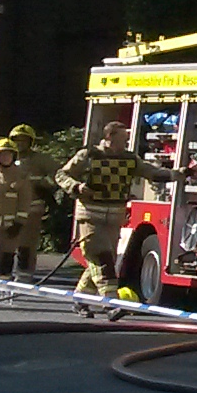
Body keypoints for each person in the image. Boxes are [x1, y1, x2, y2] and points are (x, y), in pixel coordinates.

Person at [56, 126, 147, 301]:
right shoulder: (89, 155)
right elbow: (62, 175)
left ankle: (81, 299)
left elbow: (150, 171)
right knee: (101, 257)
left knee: (103, 261)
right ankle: (111, 302)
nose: (126, 142)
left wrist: (179, 173)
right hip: (91, 215)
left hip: (114, 217)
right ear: (110, 137)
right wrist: (77, 187)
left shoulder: (129, 158)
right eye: (123, 138)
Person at [0, 134, 48, 285]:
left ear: (14, 156)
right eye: (2, 155)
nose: (6, 157)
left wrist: (19, 223)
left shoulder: (21, 176)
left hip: (10, 227)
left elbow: (24, 202)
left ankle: (3, 287)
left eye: (9, 154)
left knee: (7, 258)